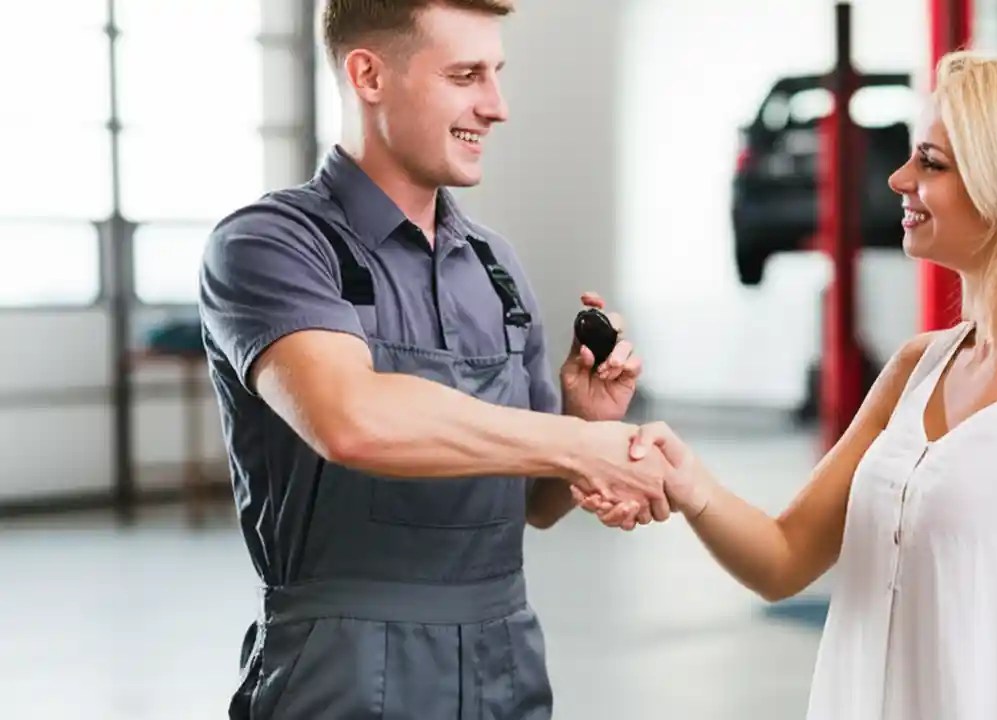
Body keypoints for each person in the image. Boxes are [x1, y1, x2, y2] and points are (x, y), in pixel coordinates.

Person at [577, 51, 997, 719]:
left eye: (930, 163)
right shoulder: (917, 369)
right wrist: (684, 479)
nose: (898, 179)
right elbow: (782, 559)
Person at [198, 1, 676, 717]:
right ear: (369, 75)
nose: (497, 106)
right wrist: (582, 443)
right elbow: (352, 420)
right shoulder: (272, 245)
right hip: (341, 669)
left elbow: (530, 507)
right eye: (466, 76)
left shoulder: (495, 269)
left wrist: (581, 423)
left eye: (497, 74)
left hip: (504, 659)